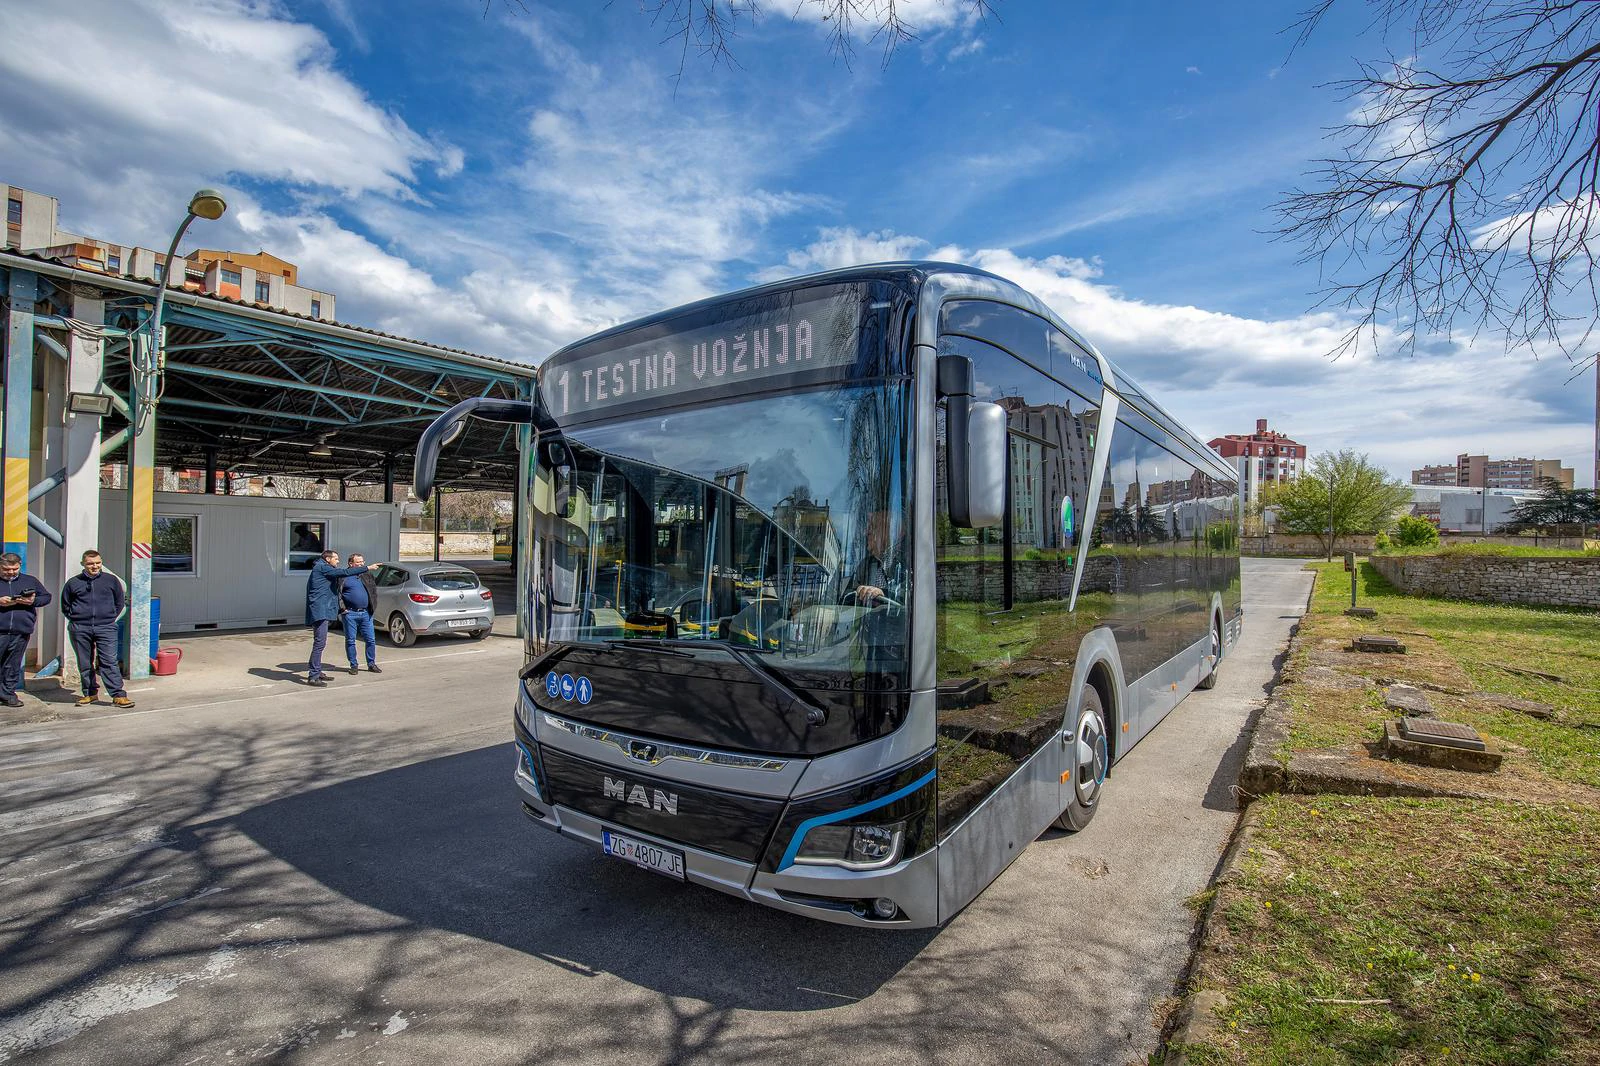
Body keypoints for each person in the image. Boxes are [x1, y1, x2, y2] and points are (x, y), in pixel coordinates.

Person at [61, 550, 132, 708]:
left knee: (109, 661)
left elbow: (119, 602)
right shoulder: (73, 583)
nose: (94, 566)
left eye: (98, 563)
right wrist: (77, 618)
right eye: (90, 563)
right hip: (80, 628)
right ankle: (89, 693)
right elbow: (65, 605)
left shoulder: (111, 580)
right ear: (83, 564)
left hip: (105, 627)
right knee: (85, 662)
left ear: (101, 563)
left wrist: (108, 617)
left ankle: (118, 695)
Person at [305, 549, 377, 687]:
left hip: (323, 610)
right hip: (320, 611)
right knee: (319, 643)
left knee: (320, 643)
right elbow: (344, 573)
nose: (338, 561)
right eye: (336, 559)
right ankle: (313, 676)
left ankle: (316, 670)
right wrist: (368, 567)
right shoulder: (324, 568)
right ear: (328, 559)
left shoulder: (322, 567)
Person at [0, 552, 52, 708]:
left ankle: (7, 694)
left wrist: (32, 601)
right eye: (6, 569)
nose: (11, 572)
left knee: (12, 665)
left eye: (14, 569)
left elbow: (46, 597)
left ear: (19, 566)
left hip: (21, 631)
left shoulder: (29, 580)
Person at [849, 509, 905, 606]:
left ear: (896, 530)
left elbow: (909, 599)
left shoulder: (911, 564)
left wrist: (883, 594)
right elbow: (846, 599)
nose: (866, 532)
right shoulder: (865, 565)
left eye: (873, 526)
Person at [340, 553, 381, 675]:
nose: (362, 564)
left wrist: (372, 607)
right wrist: (343, 609)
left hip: (366, 613)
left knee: (371, 640)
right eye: (358, 562)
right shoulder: (343, 576)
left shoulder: (366, 574)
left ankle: (371, 664)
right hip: (350, 614)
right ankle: (353, 665)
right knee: (351, 640)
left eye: (362, 562)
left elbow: (373, 590)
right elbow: (338, 594)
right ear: (351, 564)